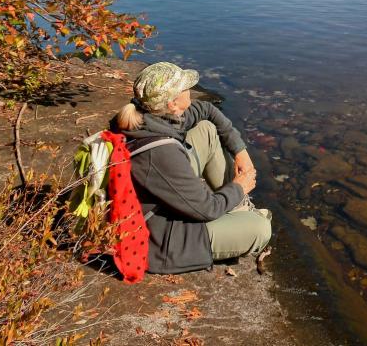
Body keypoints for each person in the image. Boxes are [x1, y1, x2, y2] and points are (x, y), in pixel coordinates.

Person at [111, 61, 272, 274]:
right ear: (173, 104)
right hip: (165, 239)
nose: (191, 90)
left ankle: (236, 207)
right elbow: (206, 209)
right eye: (186, 88)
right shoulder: (161, 153)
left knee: (205, 129)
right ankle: (238, 211)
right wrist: (238, 187)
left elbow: (206, 109)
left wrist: (240, 151)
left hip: (167, 203)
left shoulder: (152, 117)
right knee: (260, 228)